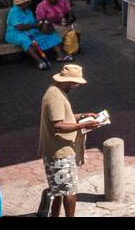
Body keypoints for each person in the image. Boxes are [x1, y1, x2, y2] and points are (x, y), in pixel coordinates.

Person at [39, 63, 102, 217]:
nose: (75, 86)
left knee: (59, 190)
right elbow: (59, 126)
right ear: (66, 80)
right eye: (74, 83)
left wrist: (82, 116)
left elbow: (64, 117)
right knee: (69, 190)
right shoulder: (55, 97)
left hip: (57, 150)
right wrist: (86, 124)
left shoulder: (56, 91)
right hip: (59, 152)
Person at [5, 0, 66, 70]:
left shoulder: (28, 11)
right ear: (23, 2)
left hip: (30, 31)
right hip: (15, 33)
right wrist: (35, 25)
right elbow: (19, 27)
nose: (29, 2)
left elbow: (34, 23)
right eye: (28, 1)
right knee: (25, 40)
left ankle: (60, 55)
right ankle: (38, 61)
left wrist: (42, 22)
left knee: (50, 35)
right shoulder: (14, 11)